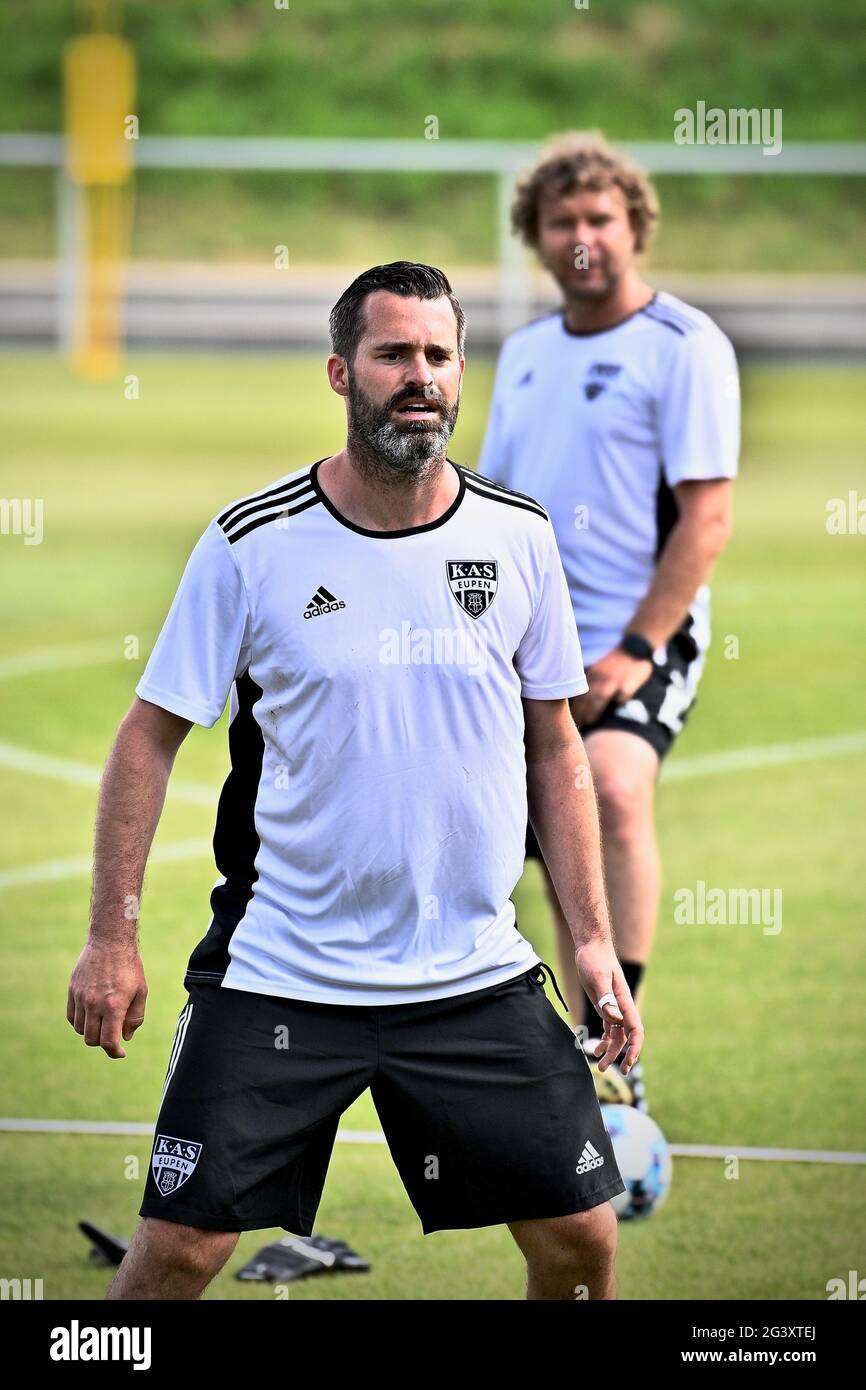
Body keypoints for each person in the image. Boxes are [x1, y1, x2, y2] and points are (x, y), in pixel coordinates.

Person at [67, 261, 641, 1302]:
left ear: (460, 371)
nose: (416, 376)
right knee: (181, 1251)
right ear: (341, 372)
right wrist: (113, 934)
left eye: (435, 354)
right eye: (391, 354)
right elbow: (146, 738)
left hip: (469, 971)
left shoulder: (518, 537)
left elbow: (553, 743)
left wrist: (591, 939)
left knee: (580, 1240)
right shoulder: (253, 543)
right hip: (283, 968)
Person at [478, 135, 739, 1109]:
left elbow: (705, 518)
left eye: (599, 218)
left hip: (639, 632)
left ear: (633, 224)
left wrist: (630, 649)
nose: (581, 236)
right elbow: (493, 500)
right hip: (524, 641)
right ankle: (565, 1053)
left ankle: (617, 1053)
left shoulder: (685, 346)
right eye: (561, 222)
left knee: (616, 789)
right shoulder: (528, 353)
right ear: (535, 238)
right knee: (533, 837)